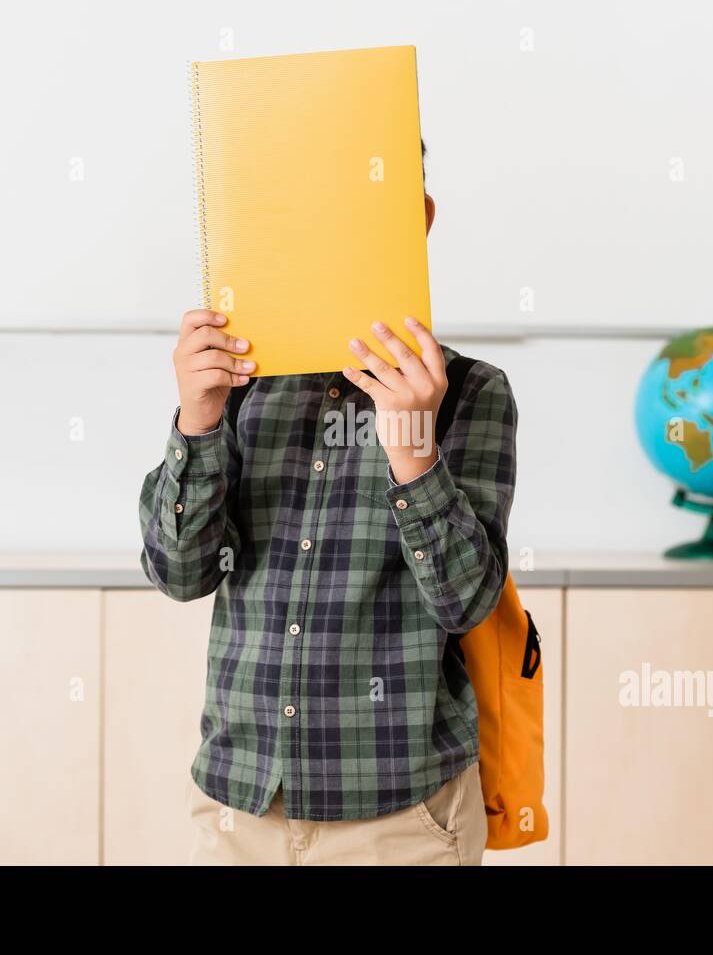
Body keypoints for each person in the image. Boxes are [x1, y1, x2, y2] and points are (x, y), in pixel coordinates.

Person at [139, 145, 518, 865]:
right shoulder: (241, 384)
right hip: (237, 806)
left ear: (419, 224)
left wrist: (411, 446)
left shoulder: (472, 392)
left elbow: (468, 602)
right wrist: (197, 417)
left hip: (402, 818)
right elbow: (180, 572)